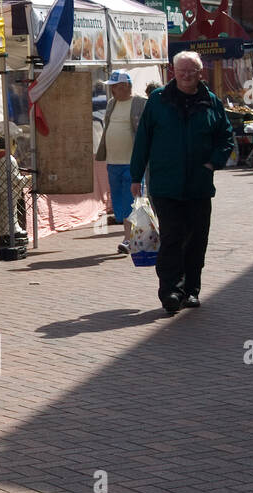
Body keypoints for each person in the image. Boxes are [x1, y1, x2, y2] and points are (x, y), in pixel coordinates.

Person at [129, 51, 234, 315]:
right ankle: (171, 291)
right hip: (166, 184)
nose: (187, 75)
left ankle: (191, 291)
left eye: (192, 71)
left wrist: (213, 162)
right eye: (182, 70)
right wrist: (135, 175)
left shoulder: (211, 102)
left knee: (197, 239)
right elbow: (143, 139)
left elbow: (226, 137)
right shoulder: (158, 100)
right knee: (173, 237)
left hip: (199, 185)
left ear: (201, 73)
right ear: (172, 71)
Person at [94, 69, 147, 251]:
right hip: (113, 162)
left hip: (132, 163)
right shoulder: (111, 104)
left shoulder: (140, 103)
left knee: (130, 201)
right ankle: (132, 237)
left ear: (124, 86)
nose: (112, 90)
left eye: (114, 87)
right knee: (119, 203)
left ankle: (129, 239)